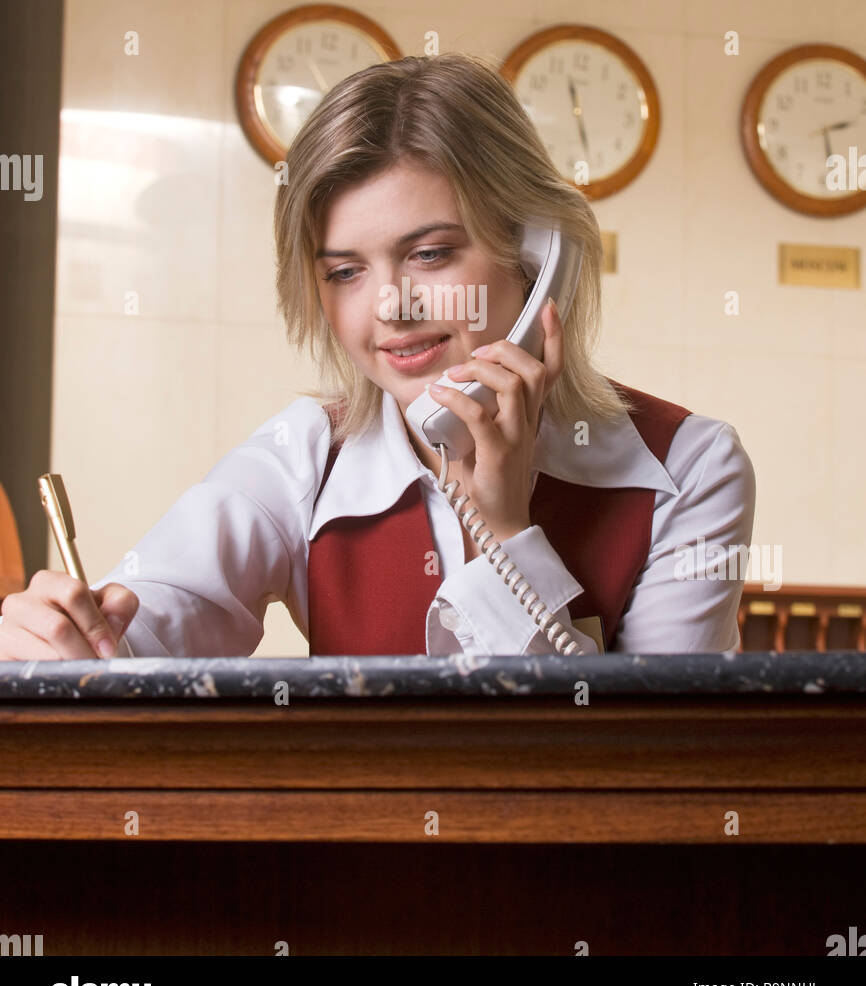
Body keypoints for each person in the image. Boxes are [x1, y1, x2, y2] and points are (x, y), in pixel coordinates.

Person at [0, 53, 756, 661]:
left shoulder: (688, 467)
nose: (390, 307)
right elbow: (153, 620)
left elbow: (640, 766)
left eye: (428, 253)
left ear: (536, 253)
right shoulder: (304, 454)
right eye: (344, 272)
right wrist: (60, 642)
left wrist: (502, 528)